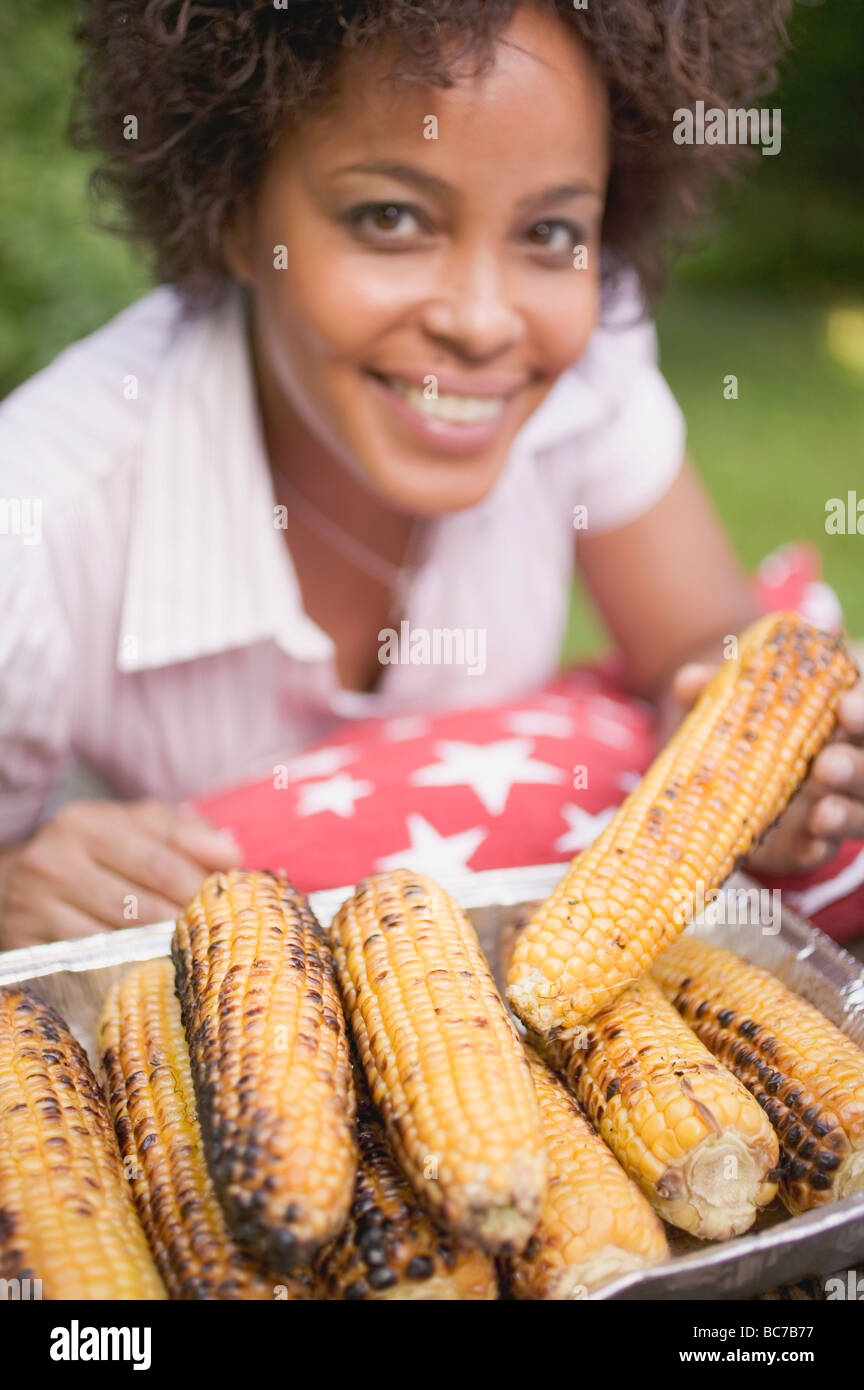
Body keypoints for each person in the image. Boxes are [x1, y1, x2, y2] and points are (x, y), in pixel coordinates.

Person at [1, 0, 862, 949]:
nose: (484, 321)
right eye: (393, 217)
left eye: (547, 234)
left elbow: (703, 643)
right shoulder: (40, 513)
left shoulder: (584, 382)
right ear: (236, 215)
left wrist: (751, 753)